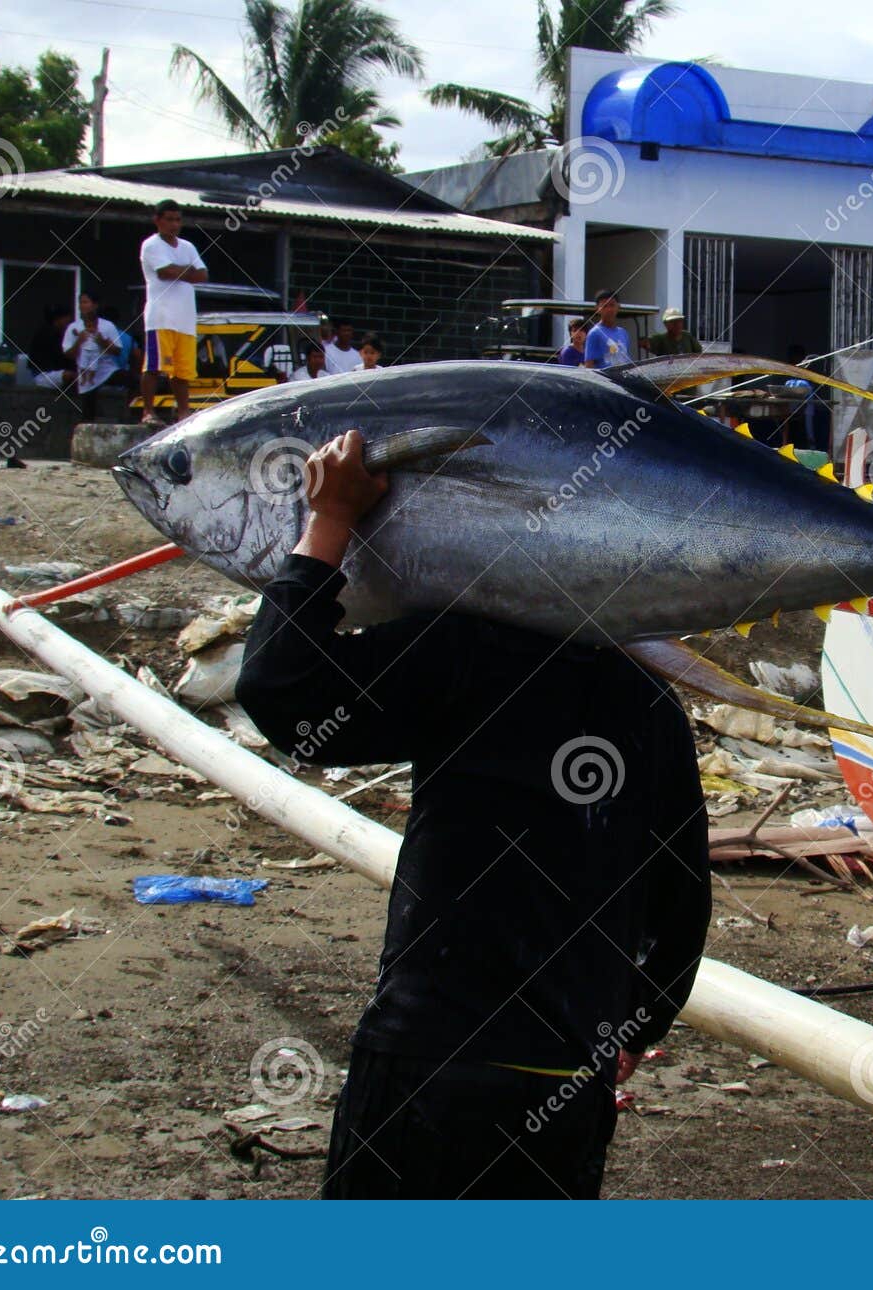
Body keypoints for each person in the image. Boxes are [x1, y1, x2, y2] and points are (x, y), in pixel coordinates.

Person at [236, 431, 710, 1199]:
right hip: (564, 1081)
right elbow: (682, 906)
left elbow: (283, 691)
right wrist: (635, 1027)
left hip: (430, 1062)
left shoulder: (460, 650)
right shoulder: (648, 701)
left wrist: (328, 526)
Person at [139, 199, 207, 426]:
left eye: (177, 219)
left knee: (182, 373)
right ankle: (148, 411)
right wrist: (187, 271)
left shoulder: (187, 246)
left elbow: (203, 275)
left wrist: (181, 272)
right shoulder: (151, 245)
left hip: (186, 320)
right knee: (155, 367)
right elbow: (165, 272)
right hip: (161, 317)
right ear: (157, 220)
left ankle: (183, 414)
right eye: (169, 219)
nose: (174, 224)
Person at [61, 291, 126, 417]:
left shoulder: (107, 326)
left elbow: (117, 351)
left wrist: (103, 342)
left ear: (95, 305)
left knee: (132, 380)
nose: (82, 306)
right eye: (81, 302)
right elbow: (68, 354)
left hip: (107, 369)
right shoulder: (73, 327)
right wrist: (79, 342)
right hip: (85, 370)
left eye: (85, 302)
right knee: (88, 403)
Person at [583, 290, 633, 369]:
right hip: (604, 380)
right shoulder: (594, 333)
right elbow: (589, 365)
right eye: (605, 306)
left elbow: (627, 360)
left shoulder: (623, 333)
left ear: (618, 306)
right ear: (597, 309)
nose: (609, 309)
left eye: (612, 305)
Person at [28, 305, 75, 388]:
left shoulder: (61, 334)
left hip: (55, 372)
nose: (69, 322)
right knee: (71, 376)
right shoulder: (46, 334)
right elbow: (60, 357)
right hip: (43, 374)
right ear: (58, 319)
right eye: (66, 319)